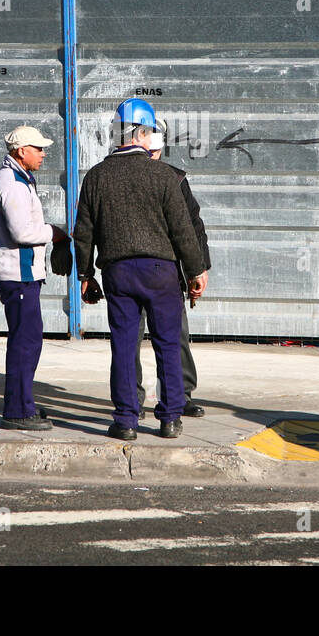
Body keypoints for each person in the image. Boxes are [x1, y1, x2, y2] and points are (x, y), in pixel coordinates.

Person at [72, 99, 208, 441]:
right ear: (142, 133)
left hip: (118, 273)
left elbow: (84, 232)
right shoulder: (163, 175)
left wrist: (85, 275)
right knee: (167, 343)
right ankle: (170, 417)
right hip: (160, 272)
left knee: (123, 345)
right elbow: (182, 230)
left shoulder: (96, 177)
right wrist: (196, 271)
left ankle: (126, 420)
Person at [0, 125, 69, 431]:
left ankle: (24, 402)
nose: (44, 154)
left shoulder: (19, 178)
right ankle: (18, 411)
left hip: (24, 274)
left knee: (29, 340)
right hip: (18, 275)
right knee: (25, 342)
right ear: (21, 151)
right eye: (39, 149)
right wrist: (56, 233)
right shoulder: (11, 183)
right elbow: (22, 232)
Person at [134, 118, 211, 418]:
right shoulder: (122, 176)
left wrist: (198, 269)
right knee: (131, 338)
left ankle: (180, 394)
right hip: (134, 270)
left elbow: (194, 227)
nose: (150, 155)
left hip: (167, 274)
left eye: (154, 150)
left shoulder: (176, 179)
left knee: (175, 336)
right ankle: (132, 399)